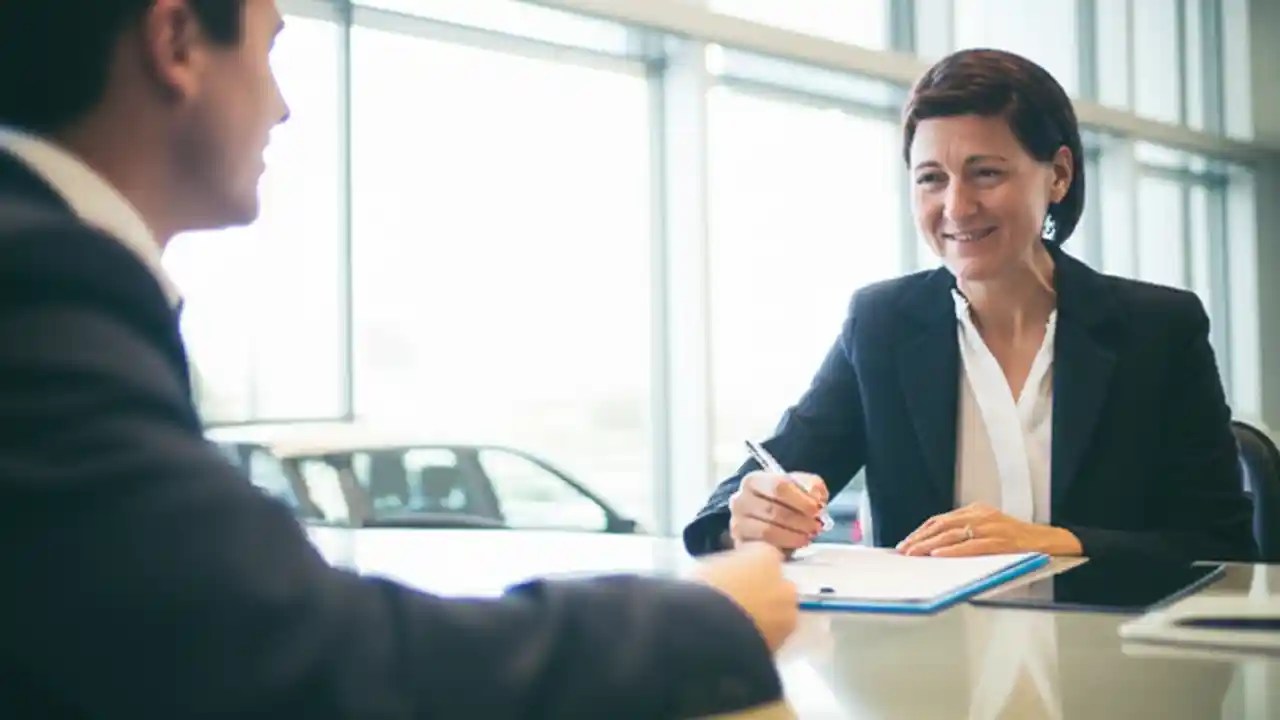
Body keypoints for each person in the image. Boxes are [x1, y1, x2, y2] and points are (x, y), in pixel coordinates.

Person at [0, 1, 798, 717]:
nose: (282, 107)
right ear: (176, 42)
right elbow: (296, 651)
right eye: (269, 50)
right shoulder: (37, 291)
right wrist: (701, 620)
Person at [685, 48, 1257, 565]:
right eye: (931, 179)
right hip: (930, 666)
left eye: (986, 173)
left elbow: (1223, 545)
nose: (956, 207)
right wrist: (750, 519)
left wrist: (1053, 542)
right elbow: (742, 496)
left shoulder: (1157, 331)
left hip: (1113, 662)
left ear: (1058, 174)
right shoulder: (881, 324)